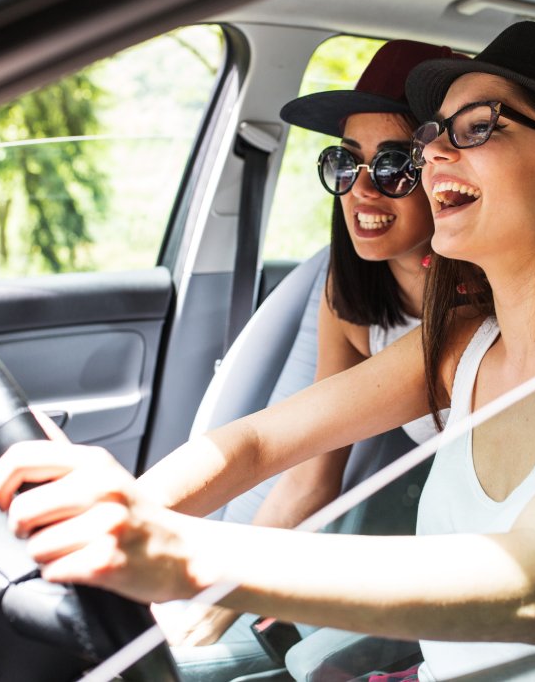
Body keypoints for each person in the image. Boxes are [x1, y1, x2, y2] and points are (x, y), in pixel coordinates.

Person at [0, 21, 535, 681]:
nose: (432, 152)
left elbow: (533, 587)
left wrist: (180, 554)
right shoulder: (462, 343)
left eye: (477, 128)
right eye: (435, 131)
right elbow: (257, 443)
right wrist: (106, 514)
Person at [168, 39, 461, 660]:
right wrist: (214, 604)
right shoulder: (349, 294)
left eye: (392, 166)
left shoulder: (484, 301)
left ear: (448, 173)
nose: (362, 190)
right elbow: (307, 474)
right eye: (346, 164)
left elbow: (264, 445)